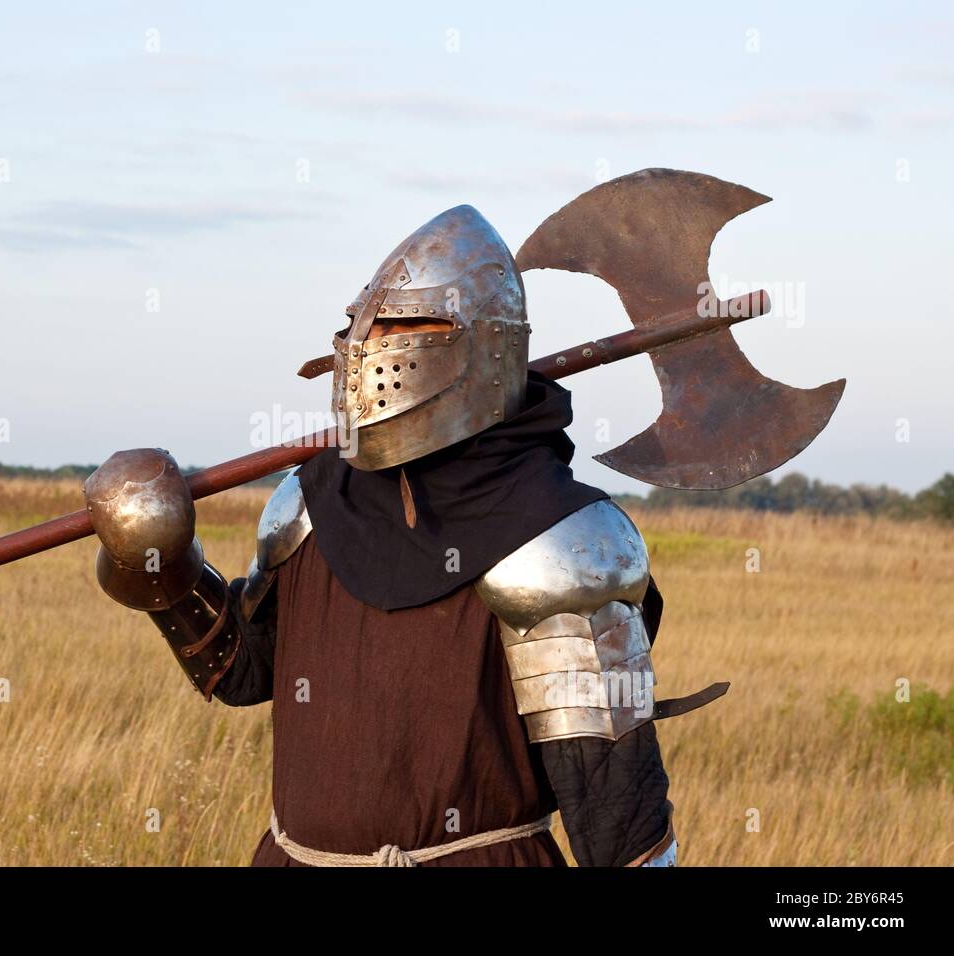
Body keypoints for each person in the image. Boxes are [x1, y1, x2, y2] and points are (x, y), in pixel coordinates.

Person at [82, 205, 721, 867]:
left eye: (407, 324)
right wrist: (161, 564)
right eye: (362, 323)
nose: (370, 344)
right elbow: (242, 673)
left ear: (481, 347)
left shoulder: (560, 542)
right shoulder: (308, 502)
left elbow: (616, 817)